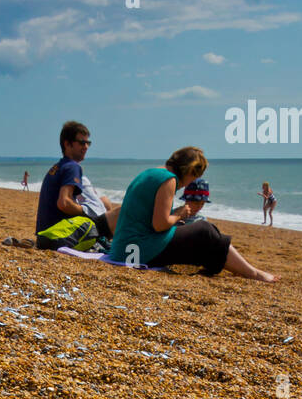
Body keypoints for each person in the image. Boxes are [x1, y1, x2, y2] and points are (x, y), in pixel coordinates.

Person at [109, 147, 277, 282]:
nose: (189, 183)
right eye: (194, 177)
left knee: (203, 234)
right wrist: (180, 214)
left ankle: (246, 269)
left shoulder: (150, 173)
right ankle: (253, 273)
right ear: (189, 171)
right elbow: (159, 224)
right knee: (205, 231)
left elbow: (149, 217)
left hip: (123, 248)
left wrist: (175, 216)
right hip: (137, 251)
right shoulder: (169, 180)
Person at [35, 121, 122, 251]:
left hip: (46, 235)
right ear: (67, 144)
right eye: (81, 143)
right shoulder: (72, 167)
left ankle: (103, 240)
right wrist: (86, 214)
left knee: (104, 201)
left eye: (88, 143)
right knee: (121, 212)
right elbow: (63, 203)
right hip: (60, 235)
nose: (86, 147)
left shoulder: (59, 166)